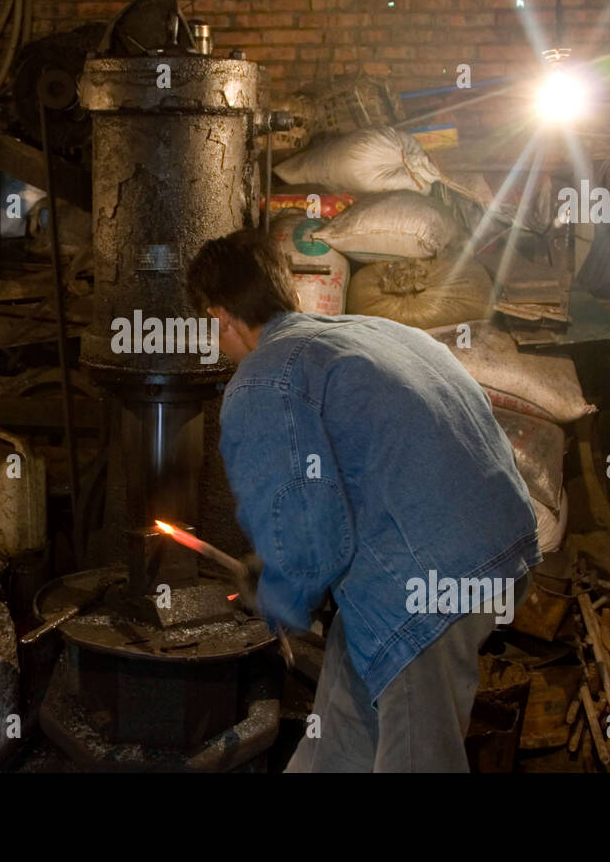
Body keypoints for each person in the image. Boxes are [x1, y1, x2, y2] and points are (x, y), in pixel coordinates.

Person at [186, 228, 542, 772]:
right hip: (496, 548)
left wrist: (278, 592)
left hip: (425, 587)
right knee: (340, 735)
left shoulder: (264, 380)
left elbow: (309, 537)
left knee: (417, 759)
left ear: (219, 317)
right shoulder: (380, 332)